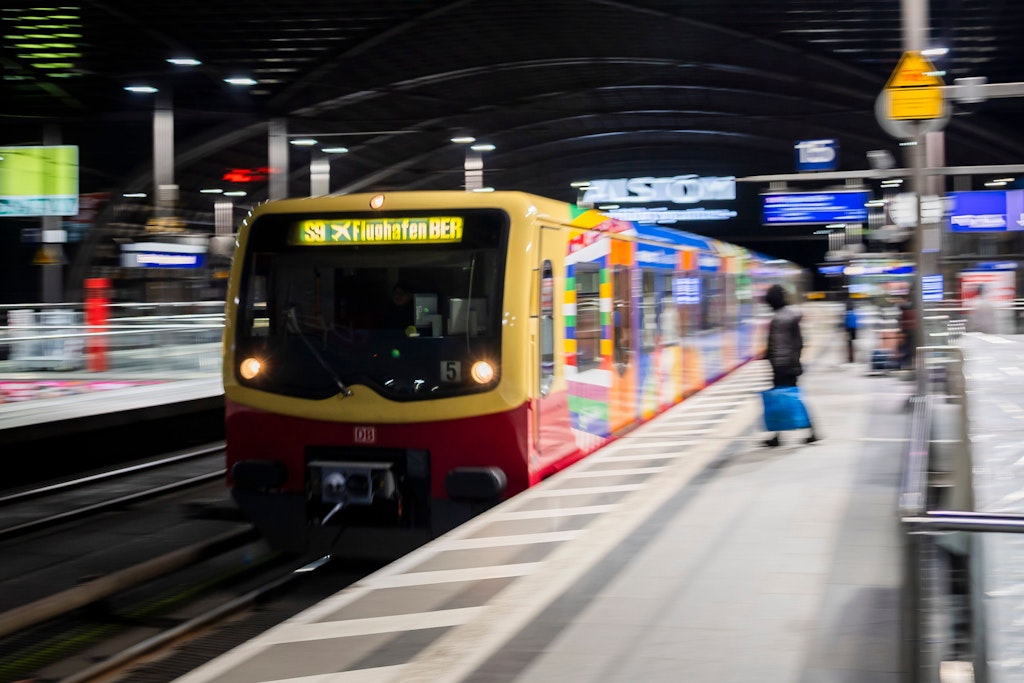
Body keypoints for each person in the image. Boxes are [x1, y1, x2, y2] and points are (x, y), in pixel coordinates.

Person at [763, 283, 819, 447]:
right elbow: (797, 343)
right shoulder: (789, 316)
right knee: (787, 397)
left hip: (782, 365)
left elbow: (777, 345)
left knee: (782, 399)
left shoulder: (779, 319)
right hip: (789, 364)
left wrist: (771, 358)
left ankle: (808, 431)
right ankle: (783, 434)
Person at [842, 298, 858, 364]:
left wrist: (845, 331)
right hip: (854, 329)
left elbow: (845, 323)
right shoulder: (854, 312)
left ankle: (850, 359)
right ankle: (853, 358)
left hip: (849, 329)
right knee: (852, 344)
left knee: (849, 344)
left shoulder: (846, 313)